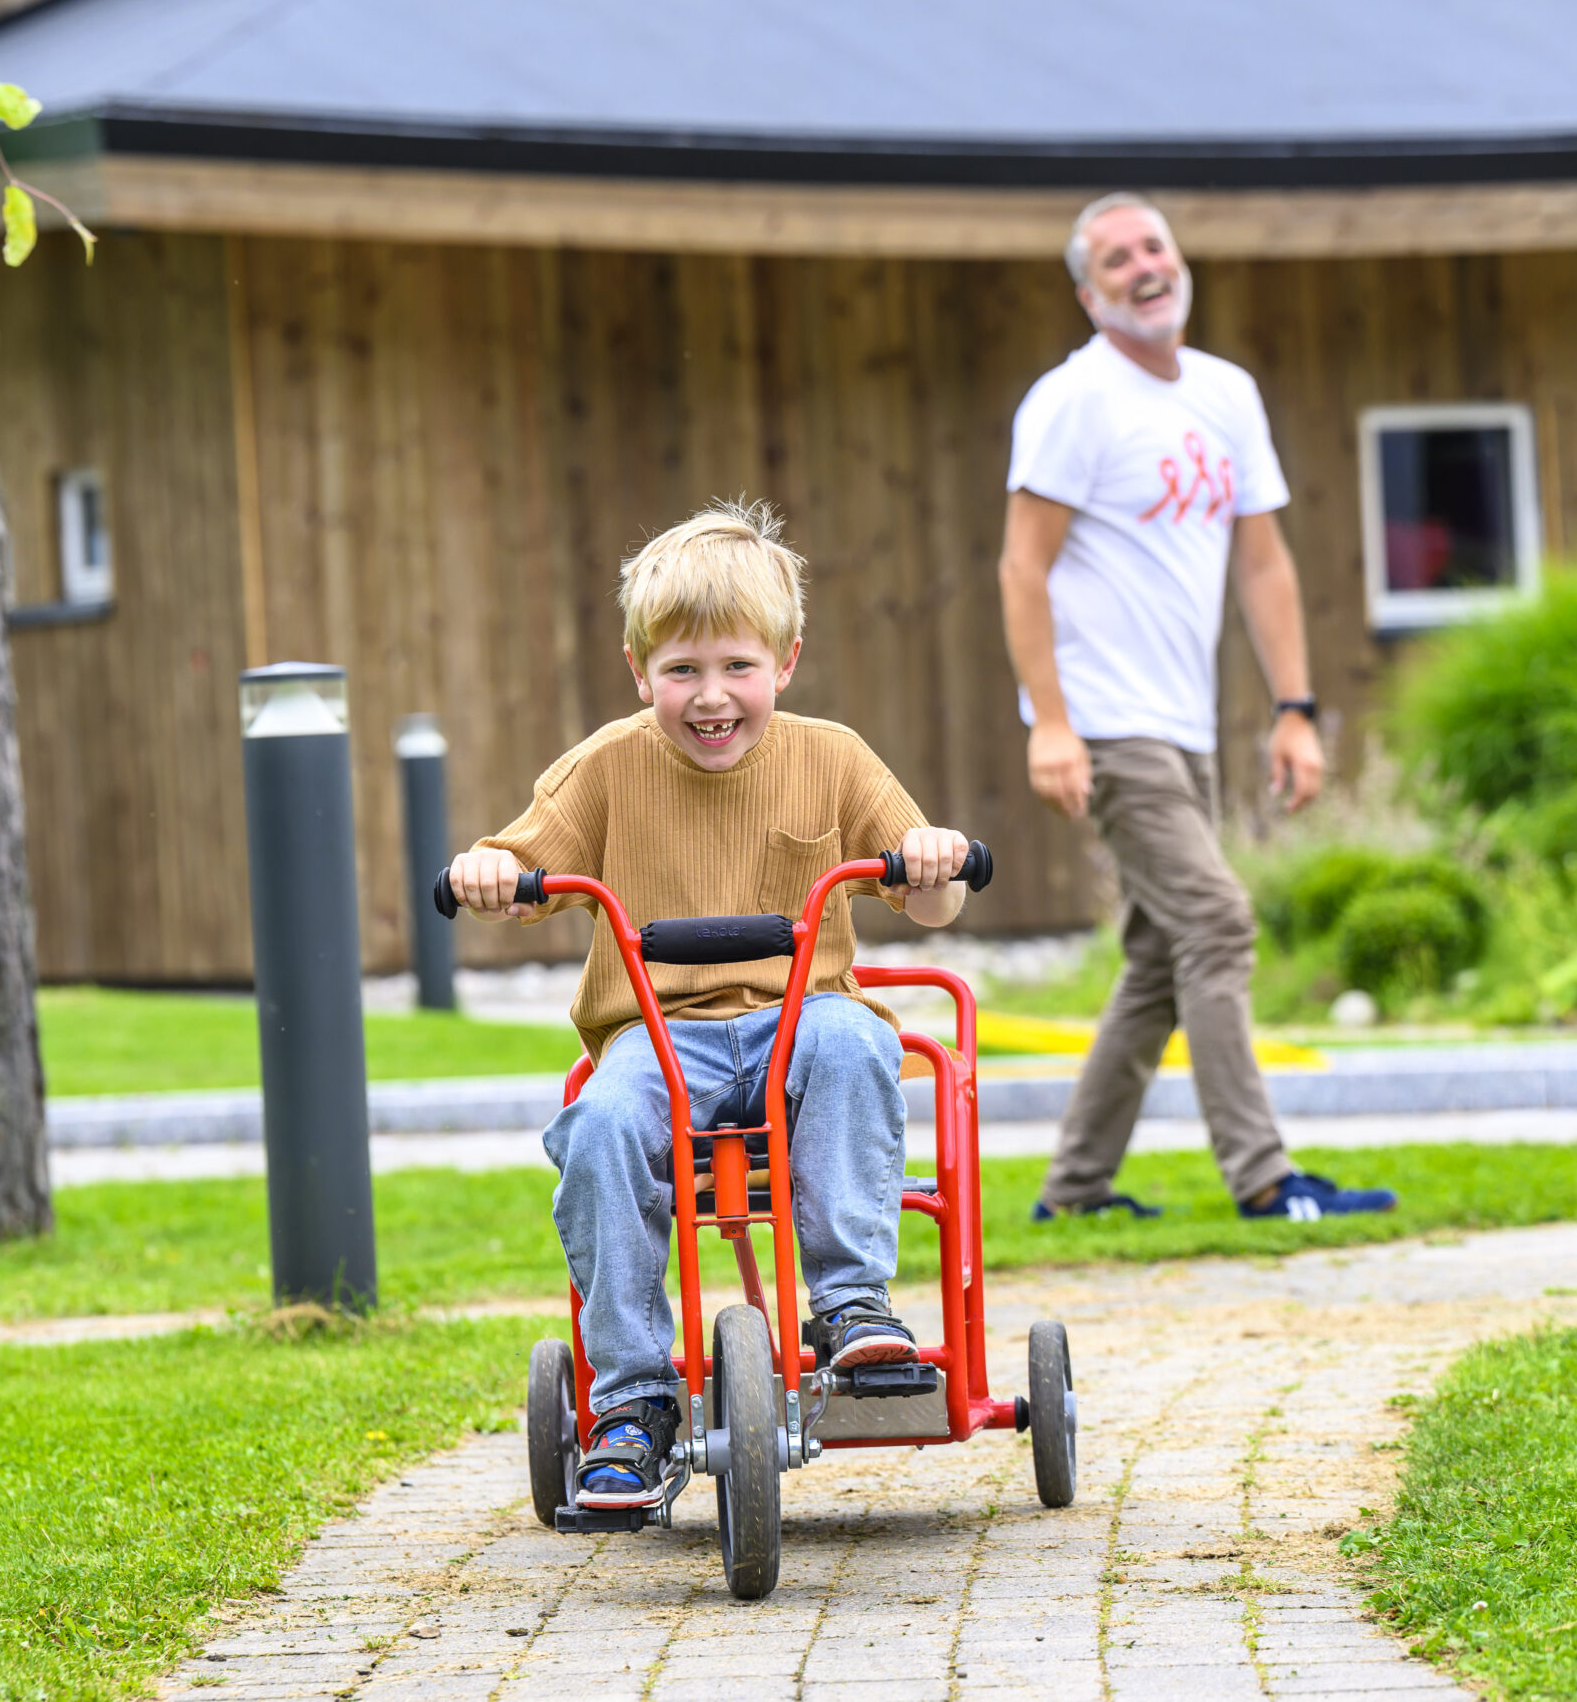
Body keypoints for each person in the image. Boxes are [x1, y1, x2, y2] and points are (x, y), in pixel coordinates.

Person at [446, 499, 977, 1513]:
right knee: (599, 1121)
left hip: (801, 1026)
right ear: (638, 670)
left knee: (858, 1041)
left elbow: (934, 903)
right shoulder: (607, 766)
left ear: (787, 660)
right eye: (682, 669)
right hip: (658, 1039)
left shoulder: (833, 757)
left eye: (738, 665)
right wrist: (489, 872)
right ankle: (632, 1397)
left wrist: (930, 864)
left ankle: (852, 1304)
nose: (711, 696)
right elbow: (517, 866)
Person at [998, 192, 1397, 1225]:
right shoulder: (1073, 401)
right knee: (1216, 919)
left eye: (1154, 246)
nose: (1144, 266)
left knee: (1158, 960)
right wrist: (1052, 722)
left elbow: (1263, 563)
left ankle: (1074, 1191)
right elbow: (1022, 567)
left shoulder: (1227, 394)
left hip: (1187, 723)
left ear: (1179, 260)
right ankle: (1263, 1176)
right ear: (1089, 294)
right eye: (1116, 259)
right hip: (1107, 722)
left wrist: (1294, 708)